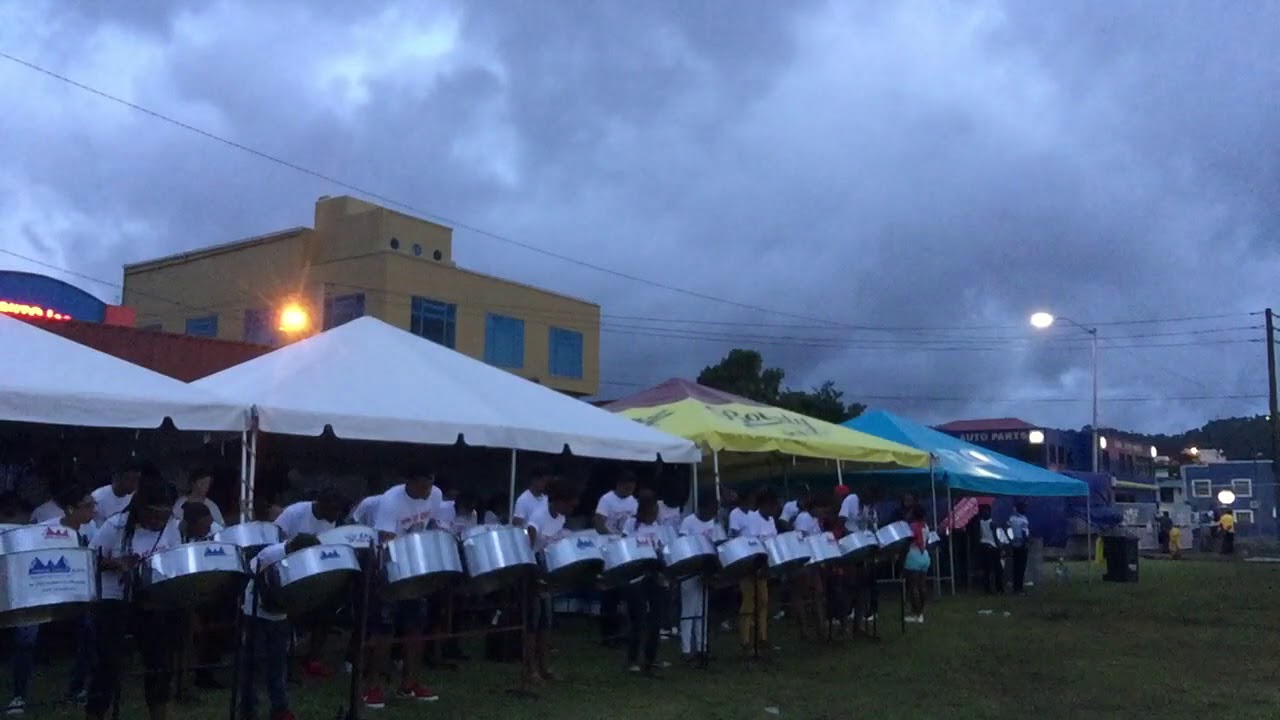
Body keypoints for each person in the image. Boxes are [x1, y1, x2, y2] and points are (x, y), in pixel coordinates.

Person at [86, 470, 183, 720]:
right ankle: (96, 713)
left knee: (160, 663)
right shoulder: (115, 525)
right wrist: (116, 563)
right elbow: (89, 560)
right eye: (154, 514)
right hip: (114, 599)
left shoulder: (171, 527)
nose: (159, 520)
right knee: (108, 664)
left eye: (165, 515)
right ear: (141, 508)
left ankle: (158, 713)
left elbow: (176, 561)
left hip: (152, 601)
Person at [6, 483, 97, 715]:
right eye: (87, 506)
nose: (92, 510)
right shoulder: (43, 529)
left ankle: (76, 689)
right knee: (26, 639)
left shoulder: (92, 528)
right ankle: (19, 696)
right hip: (39, 591)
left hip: (71, 591)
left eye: (93, 505)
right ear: (69, 509)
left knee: (90, 631)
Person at [363, 465, 443, 709]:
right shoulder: (391, 500)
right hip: (390, 568)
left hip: (417, 570)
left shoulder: (436, 494)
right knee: (384, 631)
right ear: (409, 481)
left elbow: (430, 527)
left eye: (430, 483)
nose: (427, 490)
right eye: (422, 485)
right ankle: (373, 688)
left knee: (416, 629)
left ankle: (409, 685)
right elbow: (385, 539)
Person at [240, 533, 320, 720]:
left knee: (278, 663)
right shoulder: (270, 554)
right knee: (254, 662)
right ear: (292, 549)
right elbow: (251, 573)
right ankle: (248, 708)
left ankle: (279, 708)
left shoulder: (303, 556)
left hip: (280, 615)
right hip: (256, 612)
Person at [275, 486, 348, 678]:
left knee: (327, 611)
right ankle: (285, 664)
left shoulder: (333, 521)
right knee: (287, 618)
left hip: (316, 575)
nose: (336, 515)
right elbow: (275, 538)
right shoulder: (295, 512)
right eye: (333, 510)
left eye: (339, 510)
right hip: (289, 573)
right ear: (321, 505)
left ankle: (312, 659)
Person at [523, 479, 580, 682]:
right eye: (570, 504)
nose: (572, 509)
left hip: (548, 568)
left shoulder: (560, 518)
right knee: (533, 622)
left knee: (546, 622)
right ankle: (530, 669)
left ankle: (544, 666)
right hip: (534, 569)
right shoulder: (538, 516)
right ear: (558, 501)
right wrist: (535, 573)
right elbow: (528, 546)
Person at [620, 494, 670, 675]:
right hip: (636, 576)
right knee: (638, 619)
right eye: (652, 510)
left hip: (653, 574)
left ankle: (651, 657)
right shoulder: (630, 525)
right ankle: (633, 658)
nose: (655, 514)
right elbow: (625, 545)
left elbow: (661, 548)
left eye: (656, 510)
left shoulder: (657, 527)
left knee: (655, 619)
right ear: (643, 511)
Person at [677, 494, 724, 661]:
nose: (715, 512)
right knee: (689, 609)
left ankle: (702, 647)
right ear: (703, 507)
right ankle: (686, 649)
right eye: (713, 508)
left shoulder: (715, 523)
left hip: (706, 569)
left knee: (702, 610)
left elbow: (719, 545)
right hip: (690, 570)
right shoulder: (688, 522)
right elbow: (683, 545)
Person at [594, 469, 638, 646]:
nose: (629, 491)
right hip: (609, 546)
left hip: (625, 548)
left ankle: (623, 632)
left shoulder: (633, 502)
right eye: (626, 488)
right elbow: (598, 522)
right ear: (619, 485)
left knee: (624, 591)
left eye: (631, 489)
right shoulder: (607, 499)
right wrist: (611, 537)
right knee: (609, 591)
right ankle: (608, 634)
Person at [739, 490, 780, 656]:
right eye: (773, 505)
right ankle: (745, 641)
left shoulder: (770, 520)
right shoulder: (751, 519)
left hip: (764, 566)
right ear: (764, 505)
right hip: (750, 565)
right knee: (749, 602)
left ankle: (762, 639)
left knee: (763, 602)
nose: (776, 509)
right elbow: (750, 543)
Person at [790, 493, 830, 639]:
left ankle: (821, 627)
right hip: (804, 561)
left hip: (814, 561)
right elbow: (799, 538)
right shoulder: (803, 517)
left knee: (818, 593)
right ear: (816, 508)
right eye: (823, 511)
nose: (824, 514)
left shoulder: (815, 521)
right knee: (802, 594)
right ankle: (804, 629)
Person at [904, 506, 931, 623]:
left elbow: (907, 541)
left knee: (913, 586)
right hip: (924, 556)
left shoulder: (911, 527)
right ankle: (921, 613)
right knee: (922, 586)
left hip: (913, 555)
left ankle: (916, 613)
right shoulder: (926, 526)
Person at [976, 504, 1004, 594]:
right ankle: (999, 588)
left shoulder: (980, 522)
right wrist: (1000, 547)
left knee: (986, 570)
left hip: (983, 545)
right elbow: (995, 537)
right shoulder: (992, 523)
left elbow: (979, 535)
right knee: (997, 569)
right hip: (992, 546)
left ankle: (987, 589)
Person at [1009, 502, 1031, 594]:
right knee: (1021, 567)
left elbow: (1009, 530)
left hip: (1014, 544)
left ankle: (1015, 587)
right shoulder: (1023, 519)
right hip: (1022, 545)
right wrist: (1026, 542)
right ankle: (1019, 588)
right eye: (1024, 508)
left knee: (1015, 566)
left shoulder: (1011, 519)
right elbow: (1024, 532)